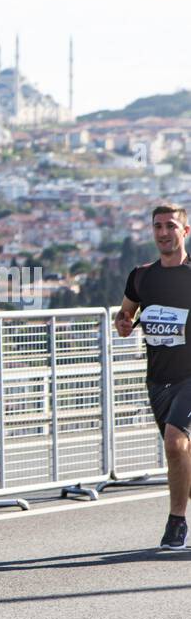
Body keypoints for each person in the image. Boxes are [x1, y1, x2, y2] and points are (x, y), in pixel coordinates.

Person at [115, 204, 191, 550]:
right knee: (180, 454)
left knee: (174, 443)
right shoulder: (142, 276)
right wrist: (123, 323)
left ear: (184, 232)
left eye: (171, 226)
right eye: (157, 226)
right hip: (158, 380)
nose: (163, 232)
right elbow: (125, 313)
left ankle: (176, 522)